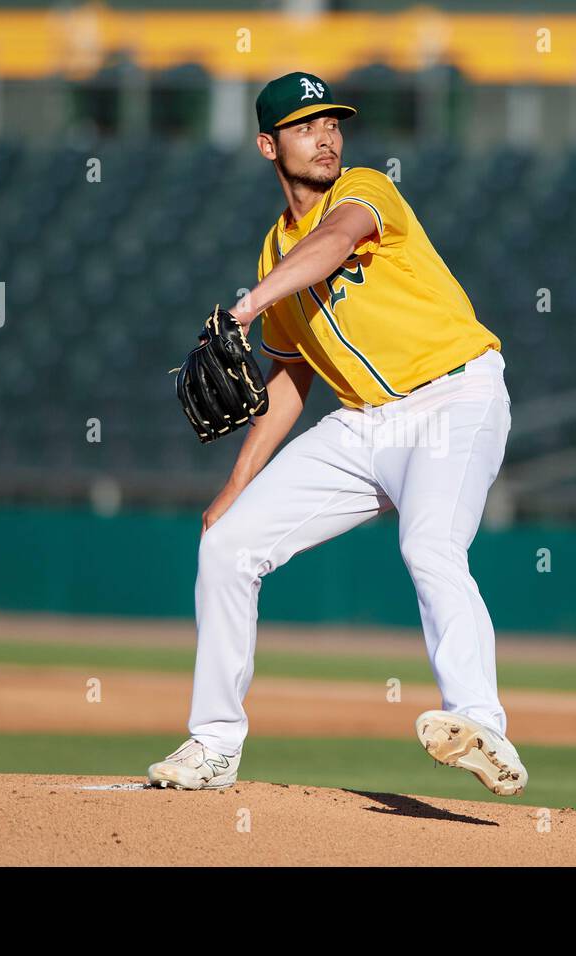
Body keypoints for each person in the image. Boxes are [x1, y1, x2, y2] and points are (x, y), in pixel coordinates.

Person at [147, 72, 527, 796]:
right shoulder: (272, 254)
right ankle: (213, 745)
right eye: (303, 125)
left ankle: (482, 723)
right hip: (364, 423)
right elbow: (289, 380)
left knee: (429, 544)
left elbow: (337, 238)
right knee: (227, 545)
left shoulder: (366, 189)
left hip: (456, 394)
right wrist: (232, 488)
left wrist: (247, 307)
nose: (325, 136)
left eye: (332, 122)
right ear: (268, 145)